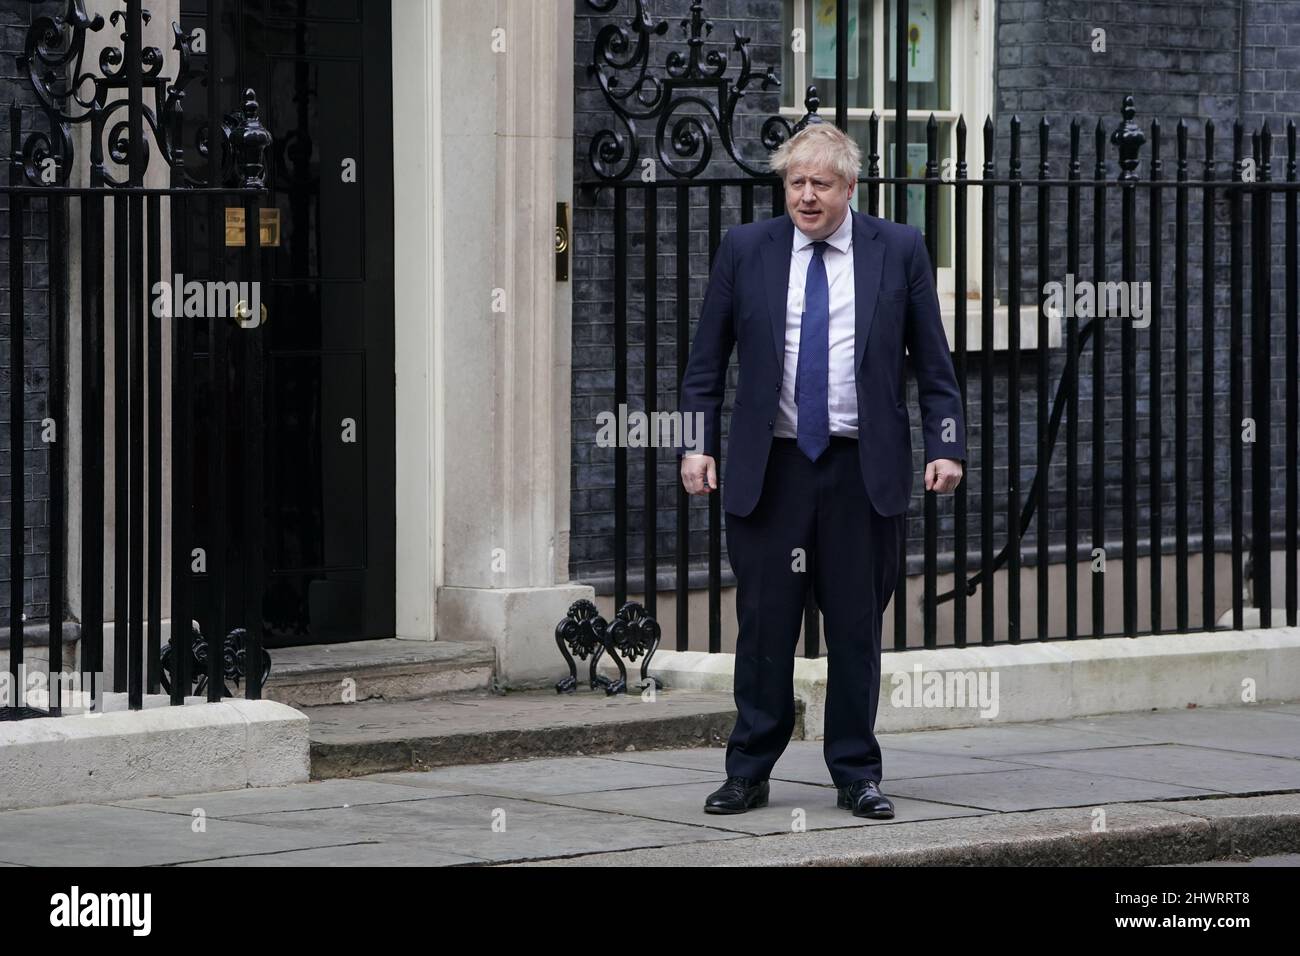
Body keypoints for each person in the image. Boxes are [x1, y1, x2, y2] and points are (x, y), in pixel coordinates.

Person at [678, 121, 966, 818]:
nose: (806, 197)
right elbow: (704, 364)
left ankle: (856, 773)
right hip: (771, 471)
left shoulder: (897, 250)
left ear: (850, 187)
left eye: (820, 184)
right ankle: (748, 771)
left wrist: (947, 445)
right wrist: (695, 443)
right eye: (795, 183)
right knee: (765, 628)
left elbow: (934, 366)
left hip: (859, 472)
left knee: (857, 630)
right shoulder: (746, 249)